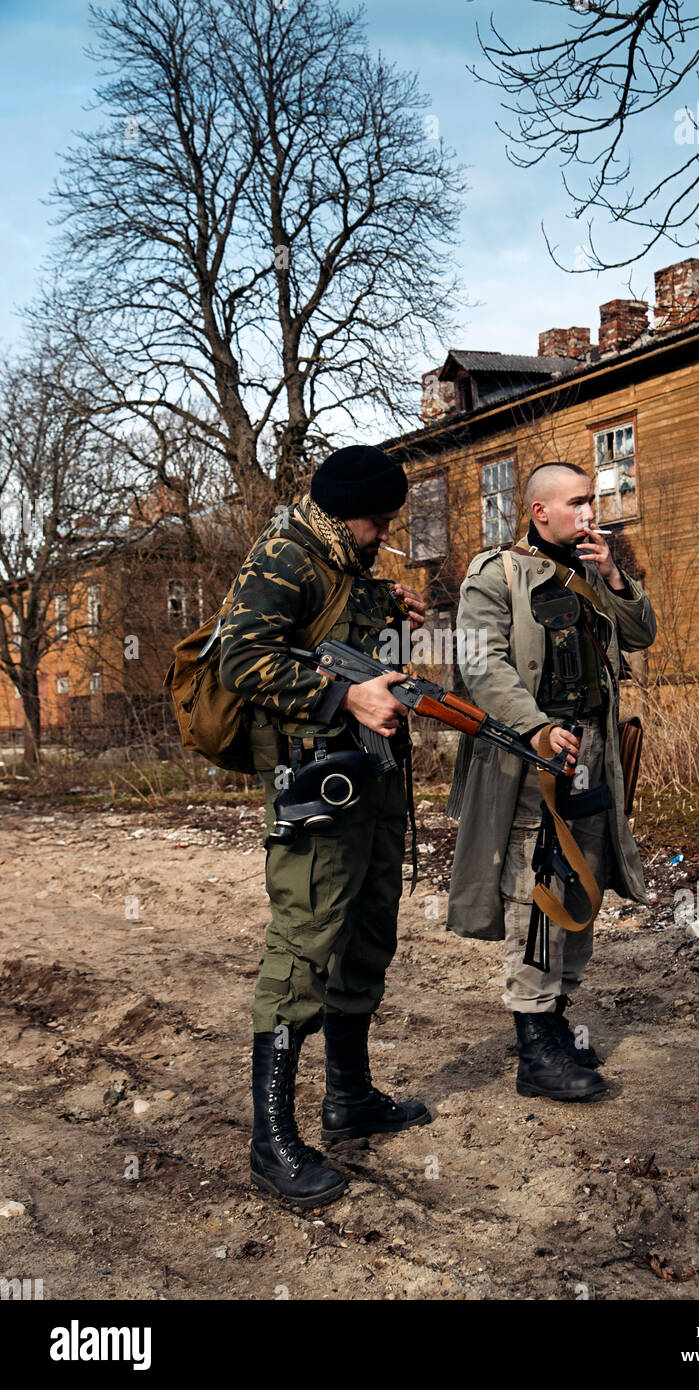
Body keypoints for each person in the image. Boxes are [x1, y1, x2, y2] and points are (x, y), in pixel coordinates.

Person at [219, 445, 431, 1208]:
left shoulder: (346, 565)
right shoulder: (287, 555)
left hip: (369, 778)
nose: (383, 535)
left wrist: (390, 612)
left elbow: (341, 645)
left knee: (369, 932)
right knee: (304, 944)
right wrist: (343, 702)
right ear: (349, 513)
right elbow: (240, 658)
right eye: (379, 521)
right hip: (314, 785)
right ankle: (270, 1142)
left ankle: (350, 1099)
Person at [446, 461, 657, 1102]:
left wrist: (616, 575)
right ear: (539, 511)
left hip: (594, 754)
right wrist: (534, 727)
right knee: (536, 888)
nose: (590, 514)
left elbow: (642, 632)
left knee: (584, 881)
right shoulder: (495, 574)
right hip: (532, 760)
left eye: (592, 502)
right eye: (578, 503)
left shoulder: (593, 573)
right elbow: (482, 664)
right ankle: (534, 1045)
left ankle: (558, 1020)